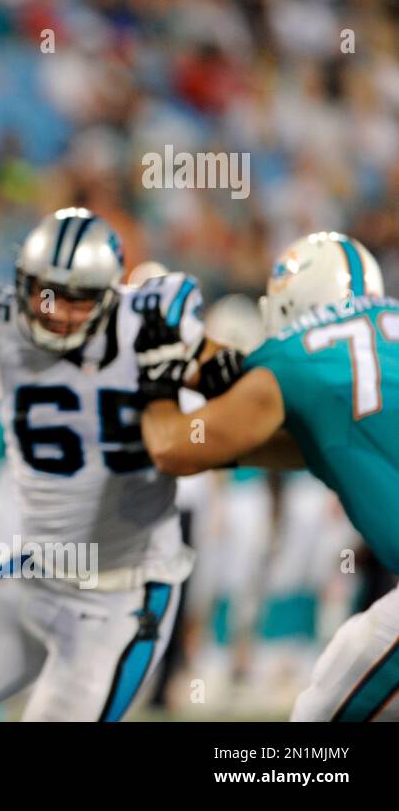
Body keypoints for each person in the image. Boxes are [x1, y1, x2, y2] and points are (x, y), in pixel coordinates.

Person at [0, 208, 218, 721]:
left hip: (122, 594)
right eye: (47, 291)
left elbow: (237, 397)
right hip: (35, 572)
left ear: (110, 296)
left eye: (79, 298)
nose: (57, 311)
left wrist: (197, 377)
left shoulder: (152, 324)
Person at [134, 231, 399, 721]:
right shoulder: (378, 341)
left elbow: (173, 446)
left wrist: (156, 381)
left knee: (320, 713)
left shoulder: (295, 357)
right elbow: (307, 445)